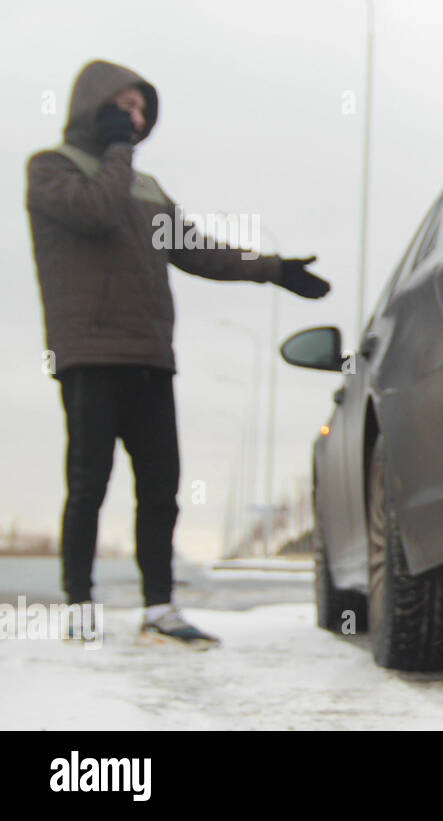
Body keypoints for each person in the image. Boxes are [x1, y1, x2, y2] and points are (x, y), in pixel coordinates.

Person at [26, 59, 331, 648]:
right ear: (96, 104)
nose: (137, 120)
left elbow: (195, 251)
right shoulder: (52, 168)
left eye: (142, 111)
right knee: (89, 483)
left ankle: (160, 607)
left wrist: (273, 270)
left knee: (161, 485)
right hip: (89, 353)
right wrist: (118, 151)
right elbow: (96, 211)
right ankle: (79, 606)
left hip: (150, 355)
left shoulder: (146, 188)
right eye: (126, 107)